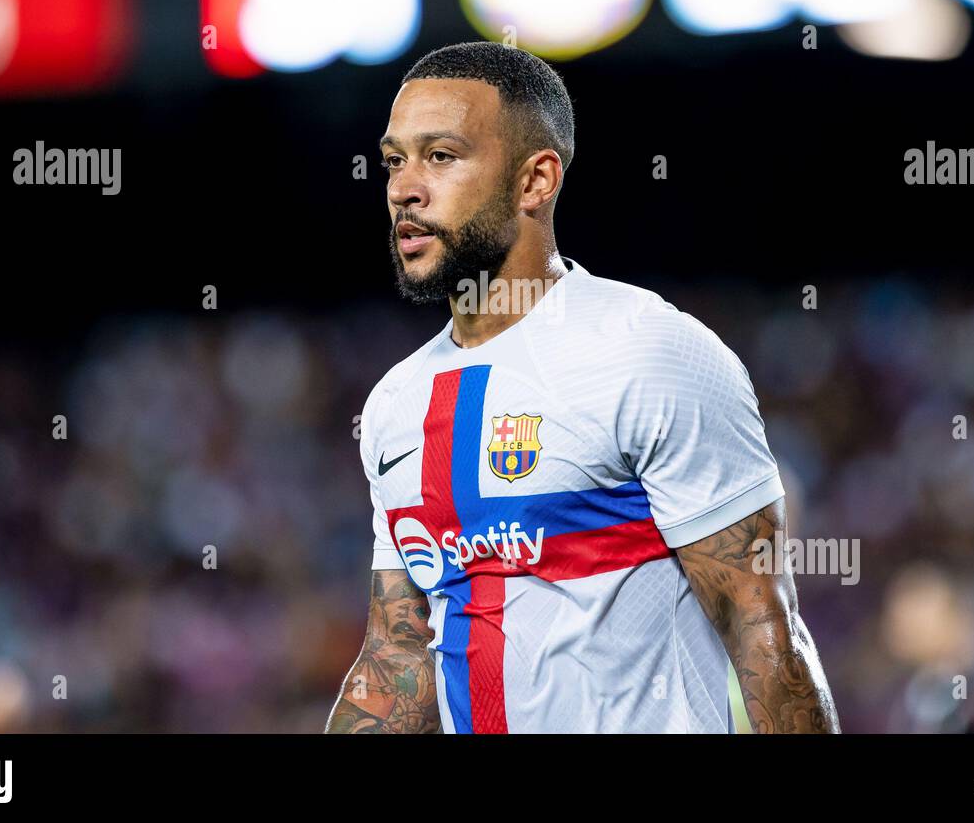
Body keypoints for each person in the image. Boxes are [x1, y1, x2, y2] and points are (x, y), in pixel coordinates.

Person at [326, 41, 839, 733]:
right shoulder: (394, 404)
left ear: (535, 181)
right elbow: (398, 656)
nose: (403, 188)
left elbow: (765, 634)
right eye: (394, 160)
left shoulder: (651, 352)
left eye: (441, 156)